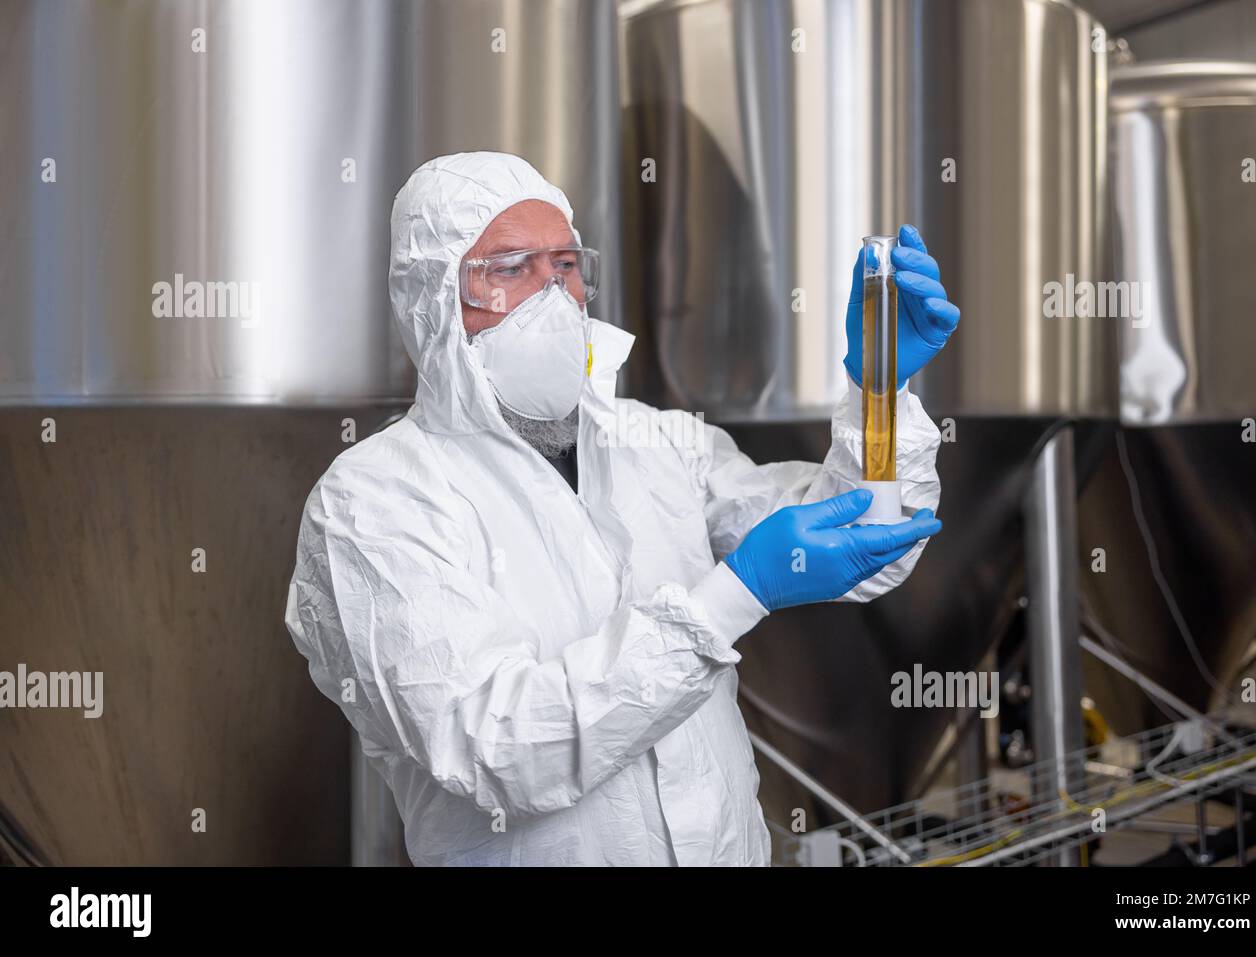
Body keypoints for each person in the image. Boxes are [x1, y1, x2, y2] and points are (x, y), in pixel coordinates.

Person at [285, 151, 960, 866]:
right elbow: (496, 750)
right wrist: (732, 597)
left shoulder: (653, 441)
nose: (554, 291)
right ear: (432, 301)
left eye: (567, 264)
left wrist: (880, 391)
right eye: (511, 267)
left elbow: (867, 533)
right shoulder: (375, 500)